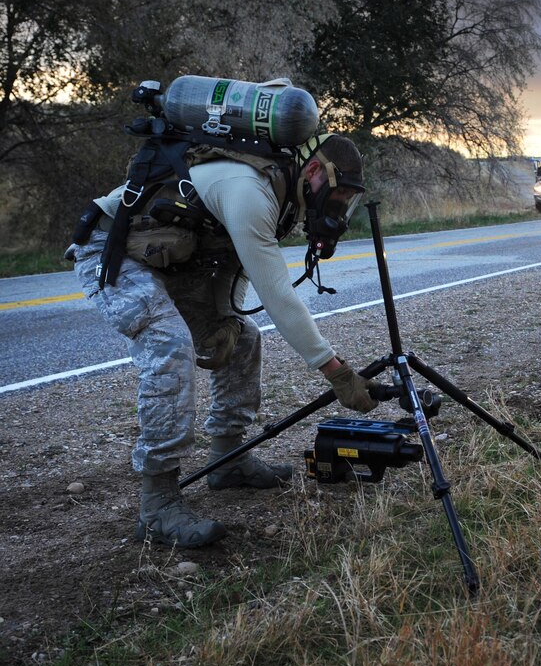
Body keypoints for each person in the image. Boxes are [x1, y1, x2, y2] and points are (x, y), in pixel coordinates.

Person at [70, 133, 381, 549]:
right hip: (112, 250)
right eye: (340, 194)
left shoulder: (284, 195)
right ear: (313, 171)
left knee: (244, 337)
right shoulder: (252, 191)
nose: (341, 206)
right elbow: (278, 296)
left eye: (350, 199)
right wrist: (335, 371)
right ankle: (158, 505)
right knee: (169, 345)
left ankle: (228, 460)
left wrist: (227, 319)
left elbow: (233, 265)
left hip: (168, 258)